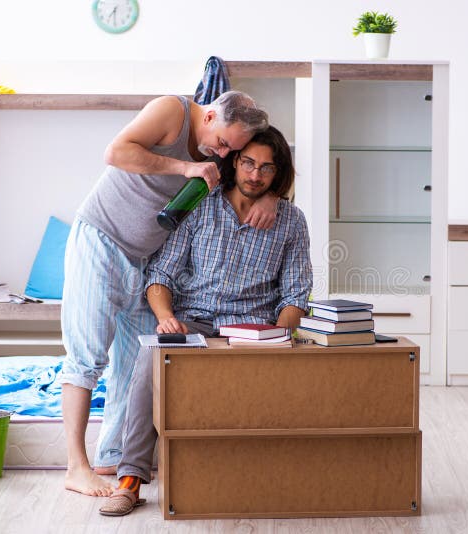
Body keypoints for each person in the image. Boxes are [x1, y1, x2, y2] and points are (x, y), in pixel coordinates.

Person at [61, 91, 279, 497]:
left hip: (147, 260)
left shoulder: (220, 145)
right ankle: (76, 466)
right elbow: (115, 152)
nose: (225, 153)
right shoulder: (172, 112)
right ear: (210, 115)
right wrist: (185, 166)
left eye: (232, 148)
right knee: (87, 355)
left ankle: (113, 452)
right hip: (103, 239)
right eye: (225, 143)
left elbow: (263, 167)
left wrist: (270, 194)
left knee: (137, 359)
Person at [98, 126, 313, 516]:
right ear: (234, 160)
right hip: (194, 322)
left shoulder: (291, 221)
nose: (255, 175)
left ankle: (272, 477)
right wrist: (166, 319)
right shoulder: (202, 204)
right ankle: (130, 480)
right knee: (148, 360)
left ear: (278, 173)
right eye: (248, 163)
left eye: (267, 168)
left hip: (253, 329)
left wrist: (282, 334)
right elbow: (160, 275)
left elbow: (296, 294)